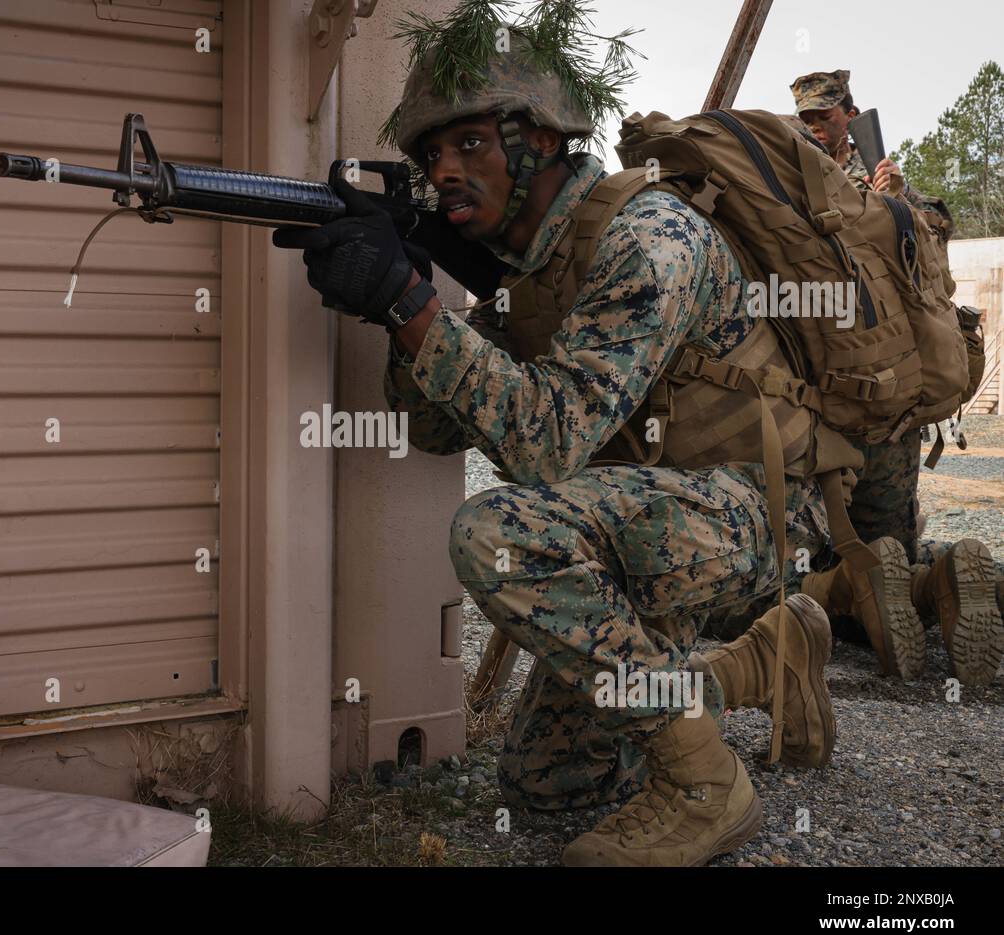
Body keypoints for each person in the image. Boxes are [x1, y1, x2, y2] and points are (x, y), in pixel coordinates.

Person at [274, 26, 844, 866]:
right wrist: (404, 301)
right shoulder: (525, 271)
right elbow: (434, 429)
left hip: (747, 515)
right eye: (432, 155)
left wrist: (412, 307)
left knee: (497, 535)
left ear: (539, 139)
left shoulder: (648, 237)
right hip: (647, 520)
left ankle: (705, 782)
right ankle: (760, 664)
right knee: (549, 781)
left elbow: (545, 444)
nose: (444, 173)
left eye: (470, 142)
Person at [787, 71, 1003, 686]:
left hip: (876, 399)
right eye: (805, 117)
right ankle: (944, 581)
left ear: (850, 117)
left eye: (824, 117)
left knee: (831, 562)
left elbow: (936, 231)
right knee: (871, 550)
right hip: (825, 397)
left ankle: (899, 588)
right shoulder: (793, 176)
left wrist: (897, 200)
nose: (813, 127)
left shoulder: (876, 181)